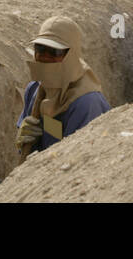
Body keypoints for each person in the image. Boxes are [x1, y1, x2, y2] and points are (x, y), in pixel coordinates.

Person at [16, 15, 110, 156]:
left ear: (71, 55)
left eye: (55, 51)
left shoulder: (86, 103)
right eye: (41, 49)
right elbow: (29, 150)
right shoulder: (34, 90)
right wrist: (23, 139)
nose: (45, 57)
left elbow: (81, 161)